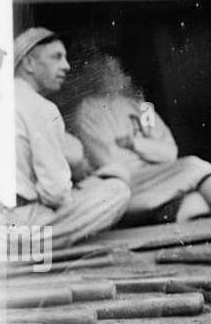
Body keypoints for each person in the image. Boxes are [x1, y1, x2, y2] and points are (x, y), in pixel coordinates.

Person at [69, 52, 211, 224]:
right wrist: (152, 156)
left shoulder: (142, 107)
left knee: (196, 202)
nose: (114, 74)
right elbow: (110, 162)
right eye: (105, 69)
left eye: (116, 69)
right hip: (129, 184)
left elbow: (170, 153)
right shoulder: (88, 108)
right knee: (193, 165)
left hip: (163, 177)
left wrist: (135, 145)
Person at [10, 28, 131, 248]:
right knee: (117, 190)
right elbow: (56, 193)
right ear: (28, 63)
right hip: (22, 225)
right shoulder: (40, 108)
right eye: (56, 57)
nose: (66, 66)